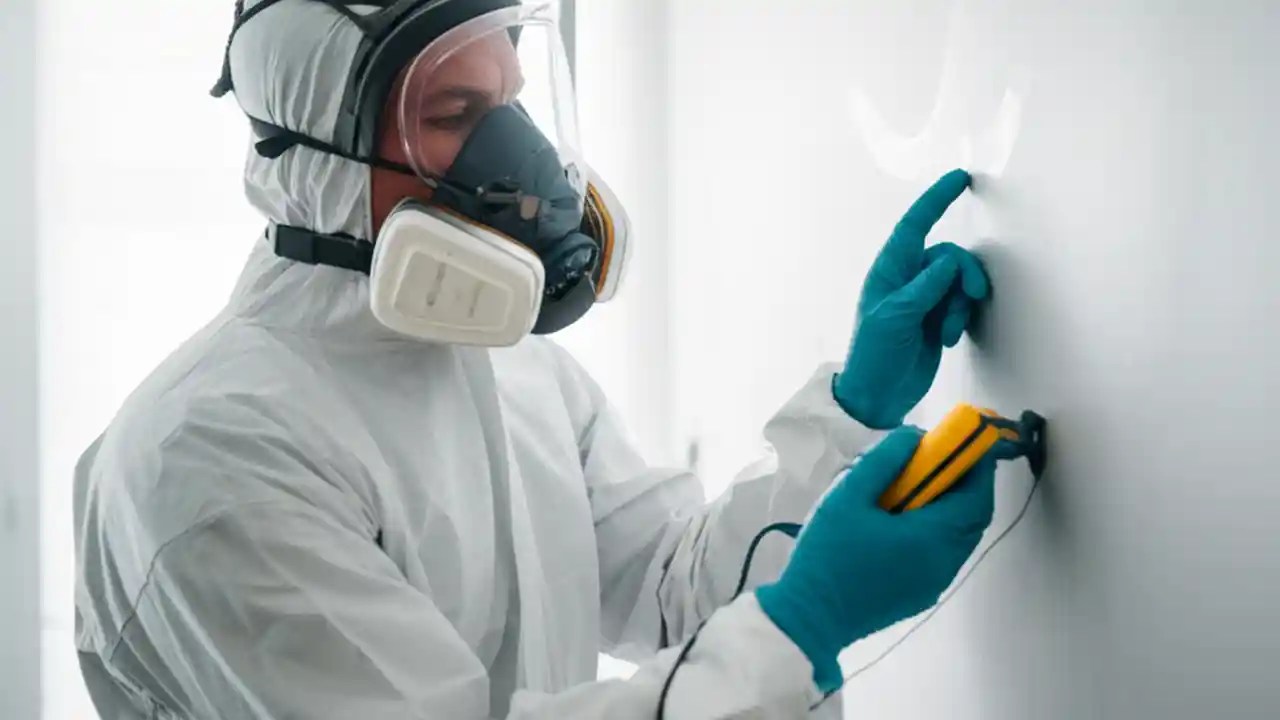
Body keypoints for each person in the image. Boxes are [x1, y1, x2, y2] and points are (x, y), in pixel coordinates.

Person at [72, 1, 1002, 718]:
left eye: (514, 100)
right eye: (457, 113)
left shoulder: (513, 371)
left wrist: (850, 415)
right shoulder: (213, 457)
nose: (521, 160)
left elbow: (673, 591)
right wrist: (805, 625)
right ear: (320, 164)